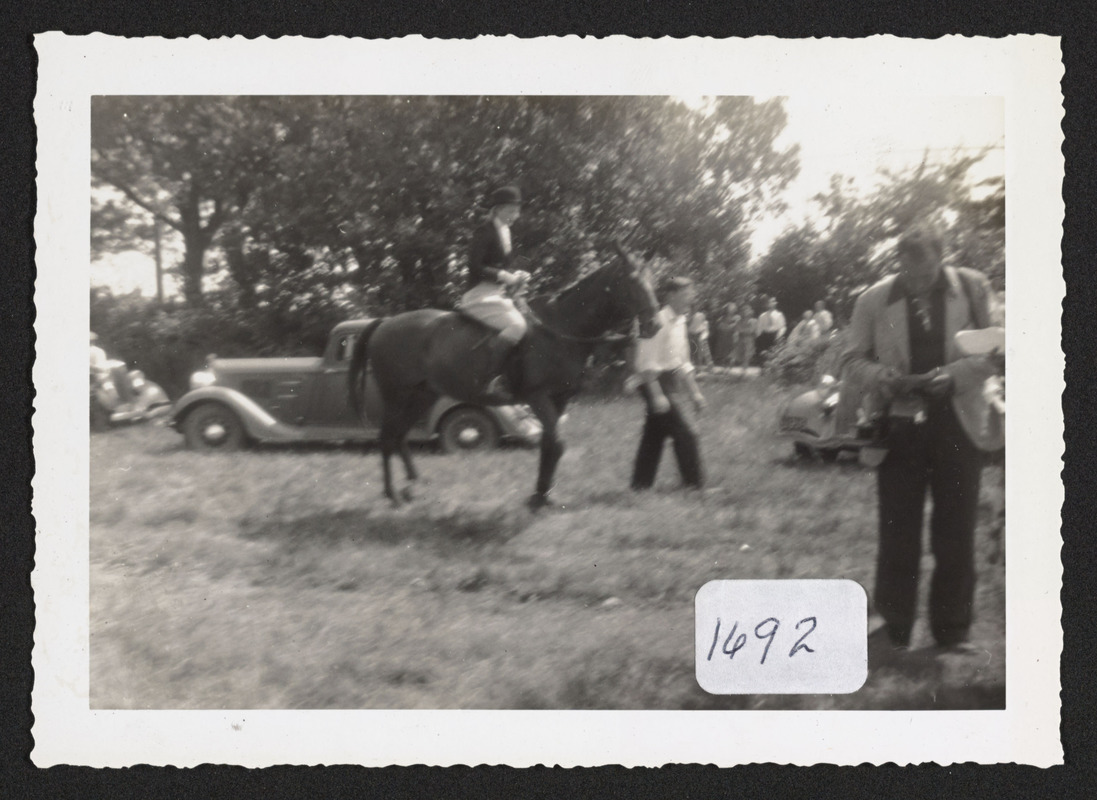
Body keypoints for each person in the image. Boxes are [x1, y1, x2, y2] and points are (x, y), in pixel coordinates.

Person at [840, 225, 999, 654]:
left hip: (960, 423)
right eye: (908, 273)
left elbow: (997, 351)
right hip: (899, 425)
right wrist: (880, 377)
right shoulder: (874, 298)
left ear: (942, 259)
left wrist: (953, 376)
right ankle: (893, 629)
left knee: (957, 529)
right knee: (897, 531)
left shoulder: (973, 287)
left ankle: (952, 632)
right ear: (899, 264)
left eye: (925, 272)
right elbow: (852, 358)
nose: (916, 281)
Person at [630, 276, 707, 491]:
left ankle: (640, 485)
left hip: (670, 383)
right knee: (686, 433)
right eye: (685, 296)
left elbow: (682, 361)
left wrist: (695, 393)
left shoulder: (681, 321)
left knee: (654, 435)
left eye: (691, 296)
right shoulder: (657, 321)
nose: (689, 301)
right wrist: (656, 395)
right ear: (670, 296)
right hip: (653, 382)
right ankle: (695, 486)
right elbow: (645, 363)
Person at [457, 185, 530, 398]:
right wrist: (503, 276)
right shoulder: (485, 231)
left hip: (498, 293)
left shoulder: (505, 232)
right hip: (479, 294)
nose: (514, 216)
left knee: (531, 322)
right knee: (516, 326)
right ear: (497, 210)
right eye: (510, 211)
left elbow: (502, 267)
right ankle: (489, 378)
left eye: (516, 211)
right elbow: (474, 266)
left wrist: (517, 275)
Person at [755, 296, 786, 364]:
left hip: (775, 336)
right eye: (771, 302)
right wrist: (759, 337)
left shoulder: (779, 315)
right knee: (764, 354)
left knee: (774, 354)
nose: (773, 303)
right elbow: (759, 327)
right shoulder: (762, 316)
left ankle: (773, 370)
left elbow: (782, 327)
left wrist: (779, 336)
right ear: (767, 304)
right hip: (765, 336)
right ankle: (764, 369)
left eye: (774, 302)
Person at [712, 302, 740, 366]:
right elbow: (719, 327)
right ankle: (723, 362)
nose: (732, 309)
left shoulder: (737, 317)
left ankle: (730, 362)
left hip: (732, 336)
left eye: (733, 308)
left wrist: (731, 327)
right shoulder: (722, 318)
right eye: (731, 308)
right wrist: (731, 326)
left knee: (732, 348)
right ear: (727, 309)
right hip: (723, 336)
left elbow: (737, 327)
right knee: (722, 349)